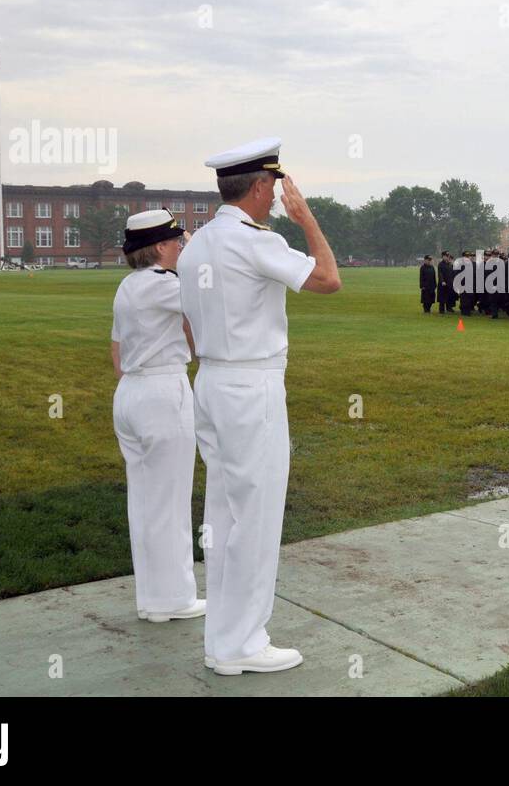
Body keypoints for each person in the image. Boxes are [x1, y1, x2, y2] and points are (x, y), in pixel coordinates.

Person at [178, 137, 341, 676]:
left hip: (211, 382)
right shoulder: (253, 240)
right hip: (251, 387)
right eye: (274, 184)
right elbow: (327, 280)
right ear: (259, 185)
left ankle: (223, 640)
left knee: (224, 514)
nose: (277, 195)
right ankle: (243, 641)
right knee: (258, 514)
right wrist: (308, 221)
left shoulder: (198, 243)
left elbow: (187, 323)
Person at [110, 209, 203, 625]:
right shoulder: (165, 285)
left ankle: (154, 599)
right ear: (163, 246)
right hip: (163, 392)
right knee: (170, 500)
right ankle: (175, 599)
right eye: (177, 242)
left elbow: (116, 353)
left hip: (130, 390)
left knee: (146, 502)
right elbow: (210, 302)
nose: (181, 248)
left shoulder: (128, 286)